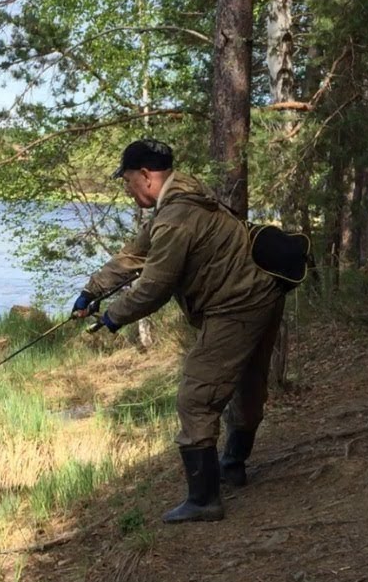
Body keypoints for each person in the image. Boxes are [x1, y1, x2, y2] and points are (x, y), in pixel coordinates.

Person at [72, 138, 286, 523]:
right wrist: (92, 290)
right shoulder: (183, 201)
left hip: (236, 304)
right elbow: (135, 255)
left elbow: (155, 285)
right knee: (247, 383)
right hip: (261, 292)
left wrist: (112, 318)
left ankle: (204, 499)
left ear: (146, 175)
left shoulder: (174, 217)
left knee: (196, 396)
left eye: (127, 181)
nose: (126, 189)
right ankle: (233, 466)